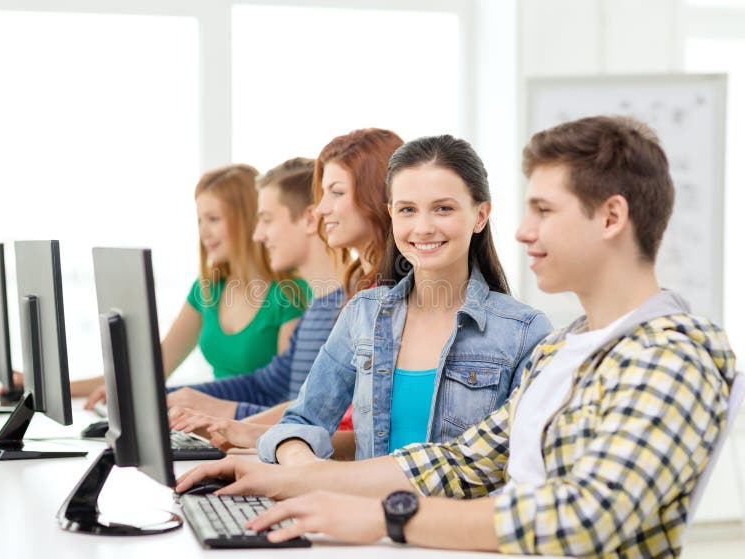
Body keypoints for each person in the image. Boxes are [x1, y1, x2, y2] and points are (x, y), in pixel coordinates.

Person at [176, 117, 737, 557]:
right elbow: (459, 460)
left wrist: (388, 515)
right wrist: (290, 479)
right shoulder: (564, 348)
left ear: (612, 217)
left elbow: (587, 517)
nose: (522, 230)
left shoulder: (672, 353)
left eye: (543, 209)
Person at [242, 134, 551, 467]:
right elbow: (300, 422)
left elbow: (523, 464)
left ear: (480, 215)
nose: (423, 227)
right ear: (391, 214)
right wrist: (309, 467)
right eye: (407, 210)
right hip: (358, 515)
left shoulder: (524, 332)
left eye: (443, 209)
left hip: (455, 518)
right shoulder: (362, 314)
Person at [166, 129, 405, 443]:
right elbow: (297, 399)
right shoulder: (348, 299)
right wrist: (201, 409)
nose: (258, 235)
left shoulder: (367, 300)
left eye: (335, 192)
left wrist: (238, 428)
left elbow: (332, 421)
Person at [74, 164, 309, 406]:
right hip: (213, 423)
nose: (203, 232)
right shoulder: (208, 288)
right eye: (200, 221)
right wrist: (77, 389)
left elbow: (285, 399)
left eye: (213, 219)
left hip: (249, 430)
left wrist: (188, 403)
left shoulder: (291, 293)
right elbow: (149, 373)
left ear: (250, 219)